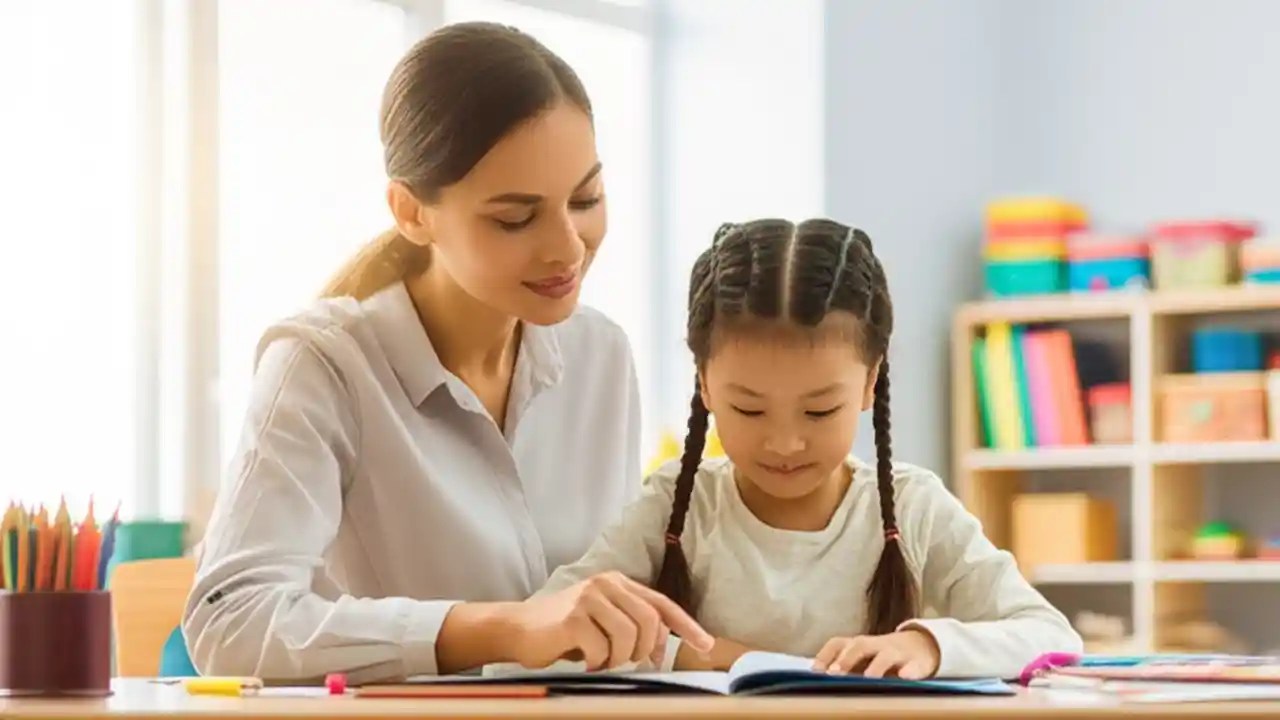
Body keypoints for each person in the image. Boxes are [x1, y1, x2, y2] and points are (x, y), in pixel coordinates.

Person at [183, 22, 711, 684]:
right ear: (412, 212)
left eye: (586, 199)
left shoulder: (599, 355)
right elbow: (232, 621)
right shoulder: (323, 364)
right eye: (515, 218)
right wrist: (505, 627)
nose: (568, 247)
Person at [534, 219, 1083, 679]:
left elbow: (1050, 637)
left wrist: (928, 647)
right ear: (703, 383)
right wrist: (722, 657)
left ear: (871, 382)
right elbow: (541, 630)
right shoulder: (678, 505)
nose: (785, 443)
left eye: (820, 411)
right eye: (748, 409)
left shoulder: (912, 507)